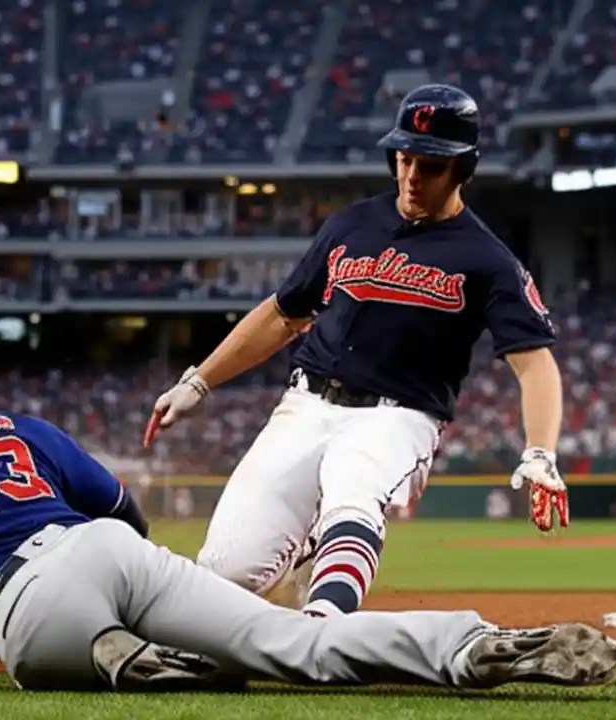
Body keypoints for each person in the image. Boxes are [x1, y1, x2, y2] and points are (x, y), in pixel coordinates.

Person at [0, 349, 616, 692]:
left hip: (27, 606)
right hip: (102, 547)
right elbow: (119, 507)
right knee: (294, 644)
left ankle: (118, 659)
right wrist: (145, 574)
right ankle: (470, 646)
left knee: (45, 653)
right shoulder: (14, 427)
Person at [144, 84, 569, 616]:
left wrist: (540, 452)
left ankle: (325, 626)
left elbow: (535, 363)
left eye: (430, 165)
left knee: (353, 503)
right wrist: (199, 381)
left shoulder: (487, 259)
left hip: (397, 417)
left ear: (463, 168)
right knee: (225, 573)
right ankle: (305, 549)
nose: (412, 176)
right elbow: (283, 314)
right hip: (305, 405)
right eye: (405, 158)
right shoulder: (351, 225)